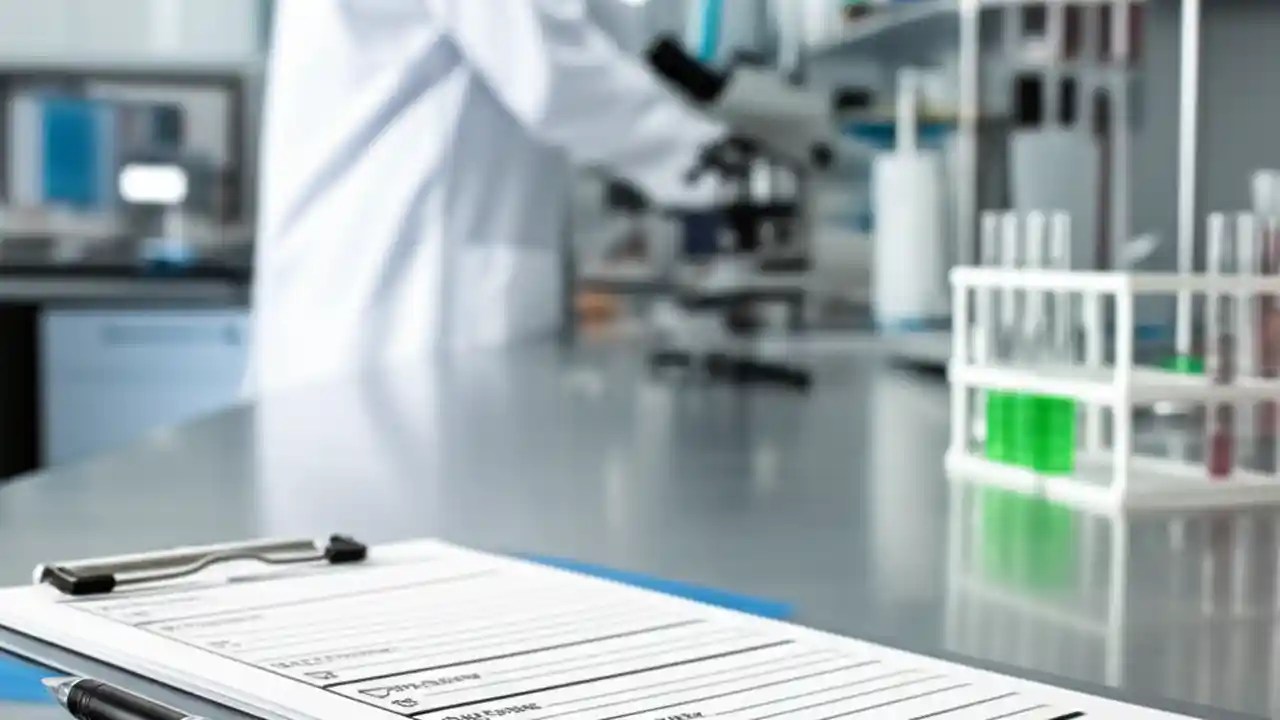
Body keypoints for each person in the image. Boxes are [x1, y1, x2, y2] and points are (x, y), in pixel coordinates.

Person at [249, 0, 724, 395]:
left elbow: (601, 44)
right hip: (398, 305)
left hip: (402, 300)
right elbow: (550, 71)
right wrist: (730, 165)